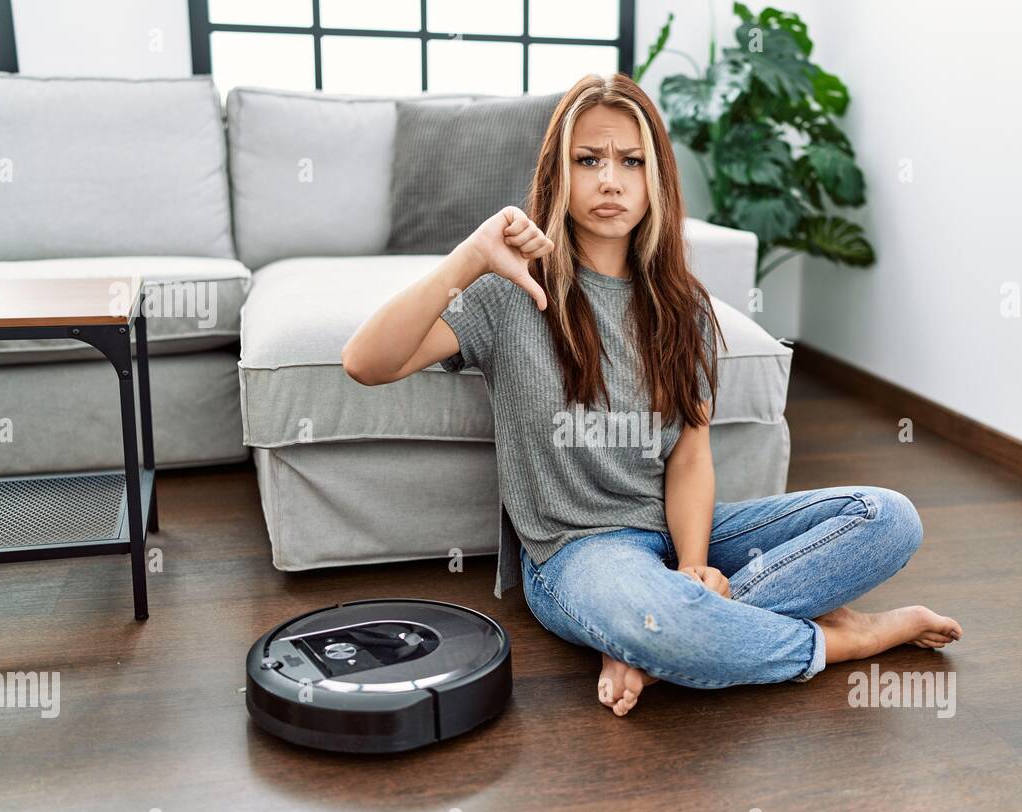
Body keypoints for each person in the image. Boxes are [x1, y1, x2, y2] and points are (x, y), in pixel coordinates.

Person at [342, 73, 962, 718]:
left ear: (655, 178)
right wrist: (466, 258)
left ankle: (661, 639)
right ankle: (842, 639)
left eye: (631, 162)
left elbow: (690, 457)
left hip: (674, 531)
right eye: (589, 160)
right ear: (559, 174)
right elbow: (365, 363)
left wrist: (693, 565)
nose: (610, 180)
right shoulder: (512, 293)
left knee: (887, 518)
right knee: (661, 618)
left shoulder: (682, 309)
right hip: (580, 553)